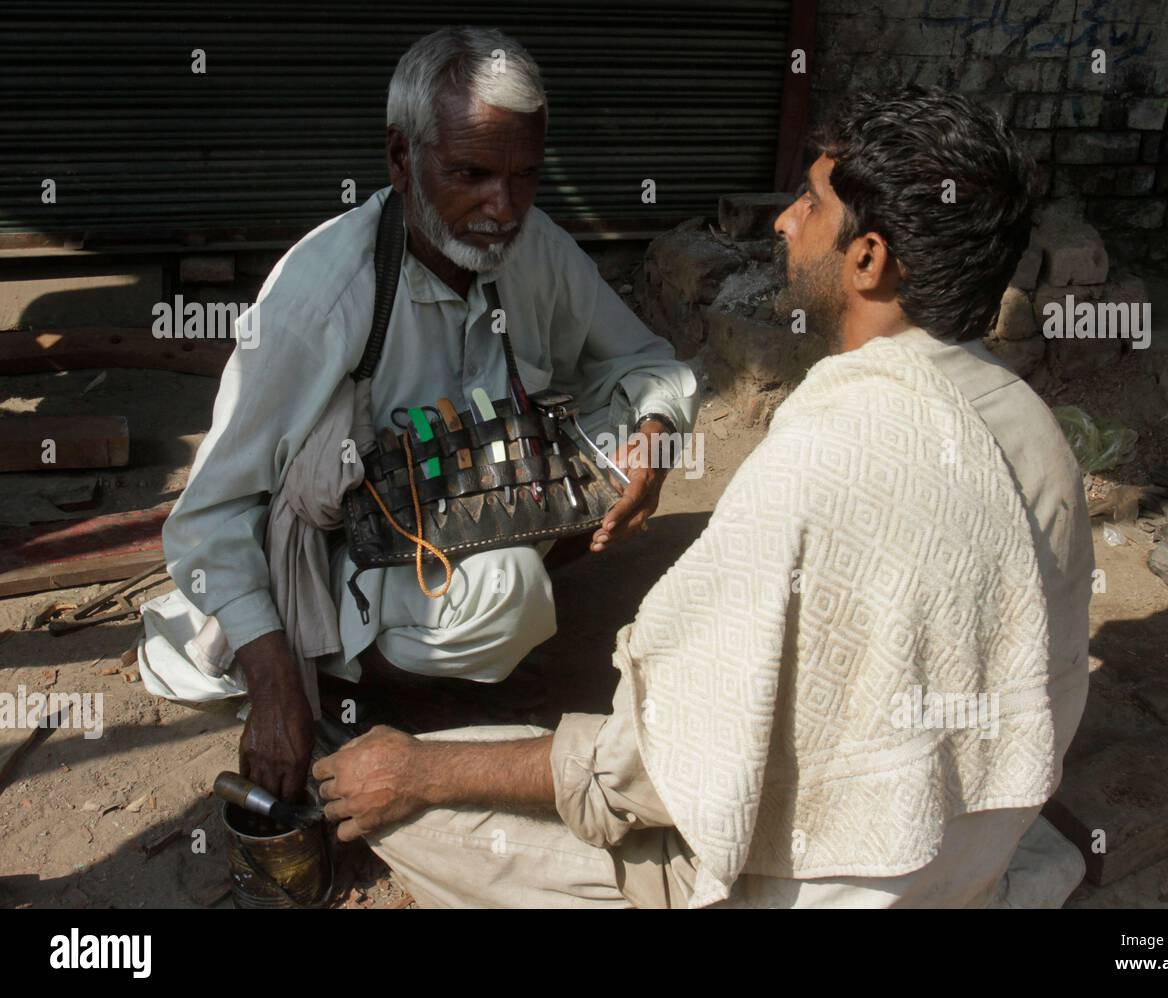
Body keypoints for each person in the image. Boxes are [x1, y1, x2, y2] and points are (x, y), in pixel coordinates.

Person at [311, 87, 1096, 908]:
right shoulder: (1035, 428)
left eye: (810, 203)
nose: (785, 223)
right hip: (974, 847)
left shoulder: (823, 452)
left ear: (868, 260)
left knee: (413, 816)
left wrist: (423, 772)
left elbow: (647, 772)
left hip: (816, 883)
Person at [157, 27, 699, 801]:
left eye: (524, 177)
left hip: (464, 508)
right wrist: (276, 684)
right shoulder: (322, 296)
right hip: (354, 549)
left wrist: (652, 441)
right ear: (399, 160)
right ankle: (381, 690)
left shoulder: (530, 246)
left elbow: (647, 362)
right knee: (507, 589)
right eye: (470, 174)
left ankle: (455, 640)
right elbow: (207, 515)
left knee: (626, 426)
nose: (502, 207)